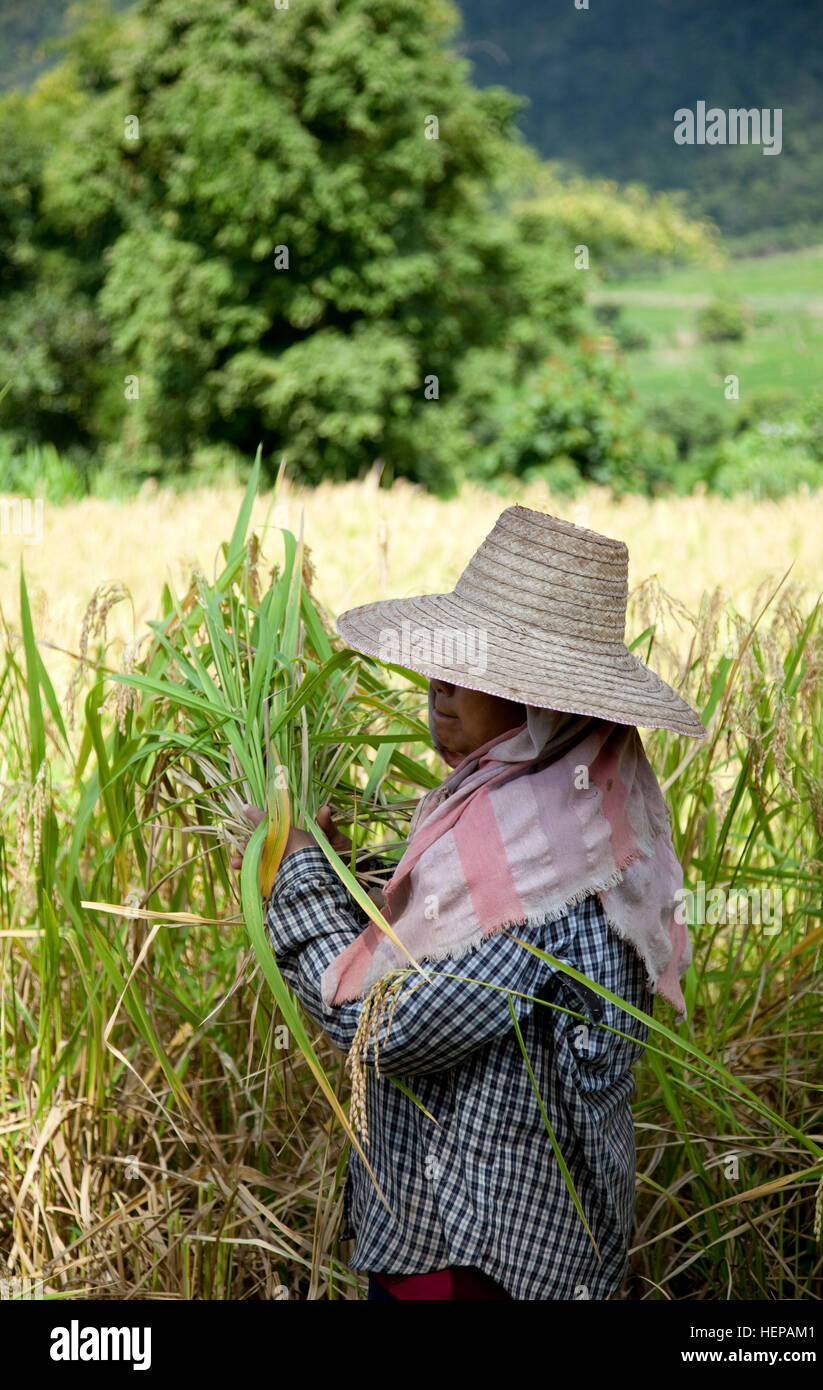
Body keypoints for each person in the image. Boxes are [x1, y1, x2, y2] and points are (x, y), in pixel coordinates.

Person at [235, 505, 705, 1301]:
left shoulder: (546, 877)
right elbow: (437, 931)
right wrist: (350, 872)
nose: (442, 686)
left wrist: (299, 879)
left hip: (475, 1260)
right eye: (443, 660)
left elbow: (382, 1026)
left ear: (549, 704)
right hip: (520, 1247)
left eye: (480, 671)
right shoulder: (571, 810)